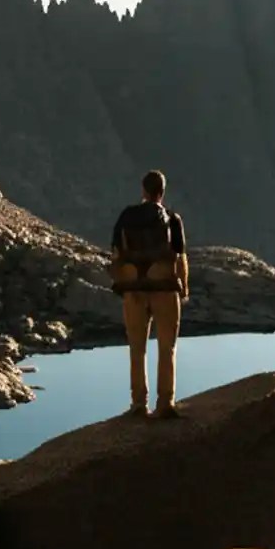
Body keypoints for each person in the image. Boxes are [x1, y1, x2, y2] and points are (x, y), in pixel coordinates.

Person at [110, 170, 189, 419]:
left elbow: (115, 255)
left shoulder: (125, 217)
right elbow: (180, 259)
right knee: (167, 348)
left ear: (143, 191)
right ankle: (165, 403)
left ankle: (138, 404)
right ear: (162, 192)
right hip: (164, 288)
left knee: (137, 348)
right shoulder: (172, 219)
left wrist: (124, 282)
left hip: (134, 290)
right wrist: (183, 289)